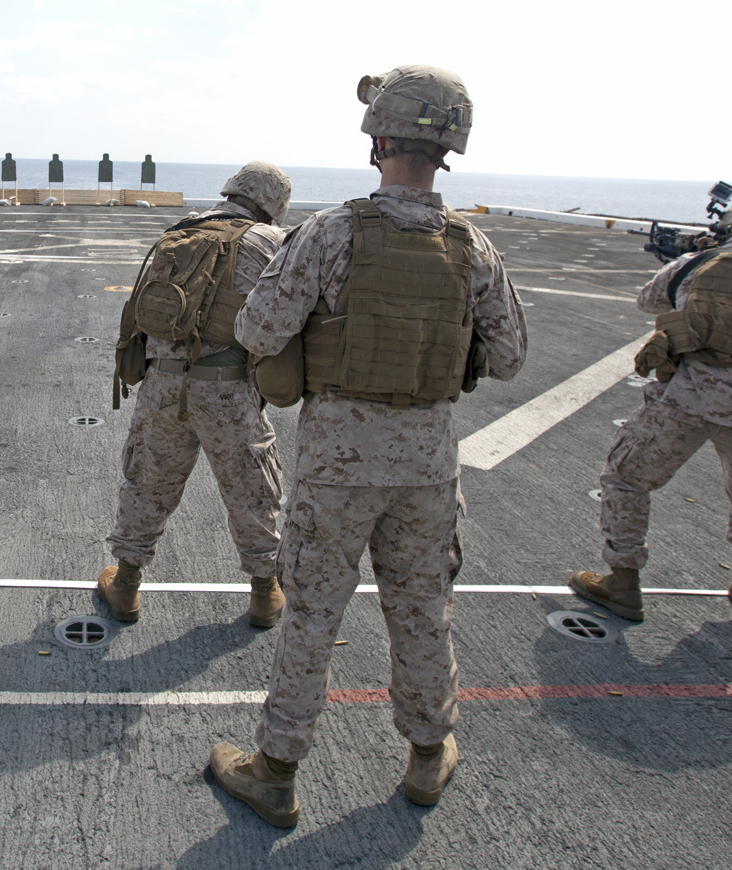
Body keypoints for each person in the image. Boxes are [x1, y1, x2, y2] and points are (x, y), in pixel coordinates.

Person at [212, 66, 527, 826]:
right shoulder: (472, 245)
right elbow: (509, 355)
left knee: (312, 614)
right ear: (448, 148)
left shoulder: (331, 230)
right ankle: (427, 757)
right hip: (425, 466)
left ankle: (277, 769)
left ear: (379, 137)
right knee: (421, 609)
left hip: (336, 466)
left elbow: (256, 332)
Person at [572, 189, 732, 630]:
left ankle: (623, 582)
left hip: (686, 398)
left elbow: (649, 301)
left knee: (627, 479)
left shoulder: (694, 265)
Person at [99, 162, 293, 628]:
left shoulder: (178, 232)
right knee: (252, 491)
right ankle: (265, 592)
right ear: (273, 204)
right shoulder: (272, 243)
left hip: (163, 383)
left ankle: (125, 584)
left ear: (230, 191)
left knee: (148, 481)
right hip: (228, 389)